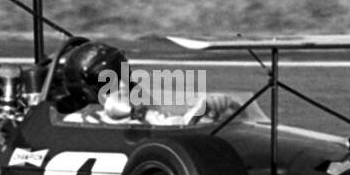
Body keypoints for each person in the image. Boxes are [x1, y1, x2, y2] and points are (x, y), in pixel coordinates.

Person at [54, 40, 238, 125]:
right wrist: (200, 111)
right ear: (92, 91)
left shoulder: (139, 117)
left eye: (124, 75)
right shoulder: (78, 123)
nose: (125, 85)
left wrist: (203, 111)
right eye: (114, 82)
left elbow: (174, 123)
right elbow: (175, 130)